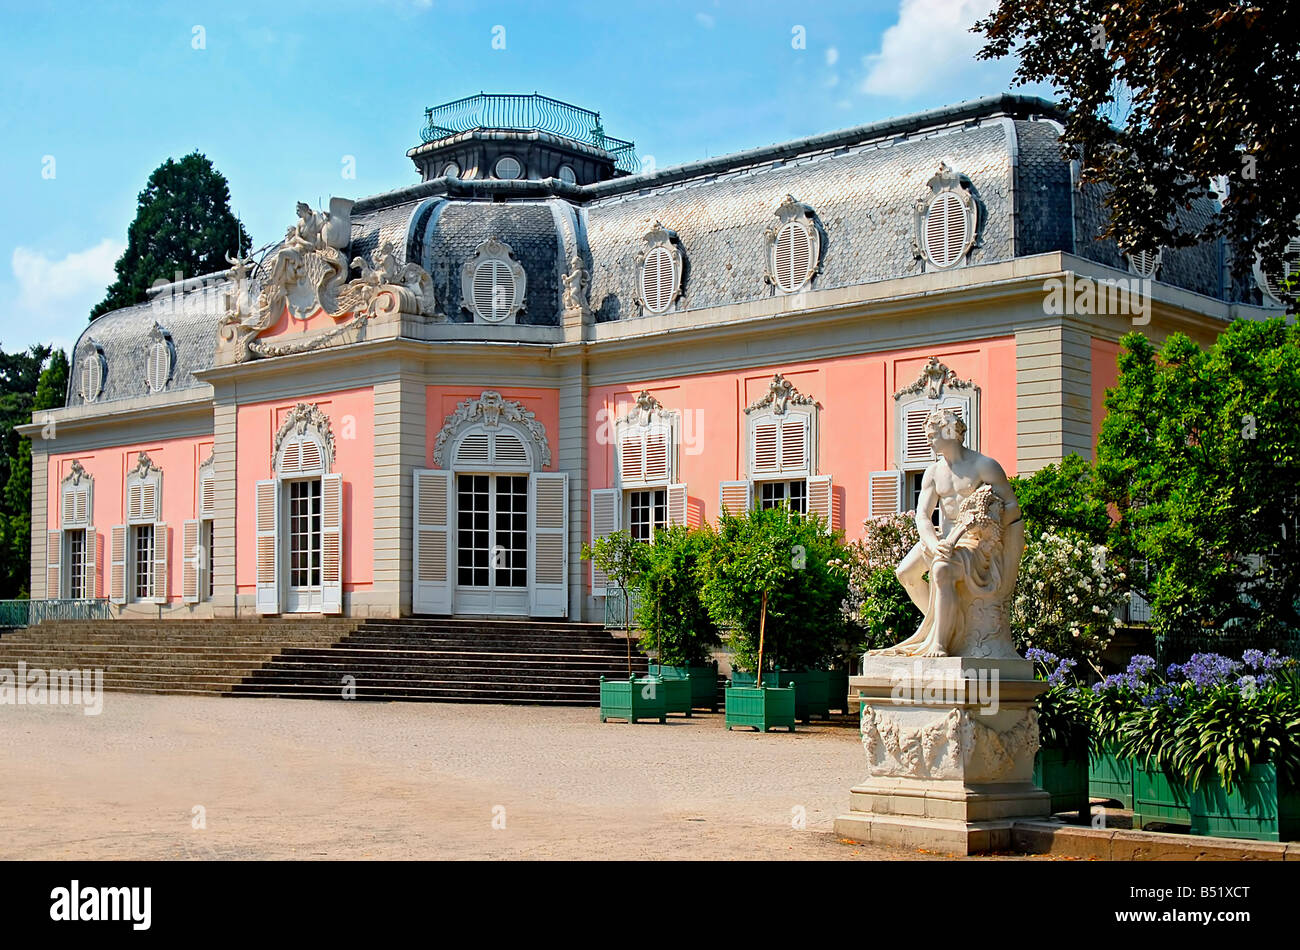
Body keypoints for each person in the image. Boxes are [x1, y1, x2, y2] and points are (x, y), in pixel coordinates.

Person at [874, 407, 1023, 657]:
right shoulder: (934, 472)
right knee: (905, 573)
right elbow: (922, 515)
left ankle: (940, 643)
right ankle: (938, 625)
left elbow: (1012, 507)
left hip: (974, 542)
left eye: (933, 434)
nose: (928, 439)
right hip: (943, 540)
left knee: (942, 570)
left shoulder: (983, 465)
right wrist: (933, 544)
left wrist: (986, 524)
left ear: (949, 431)